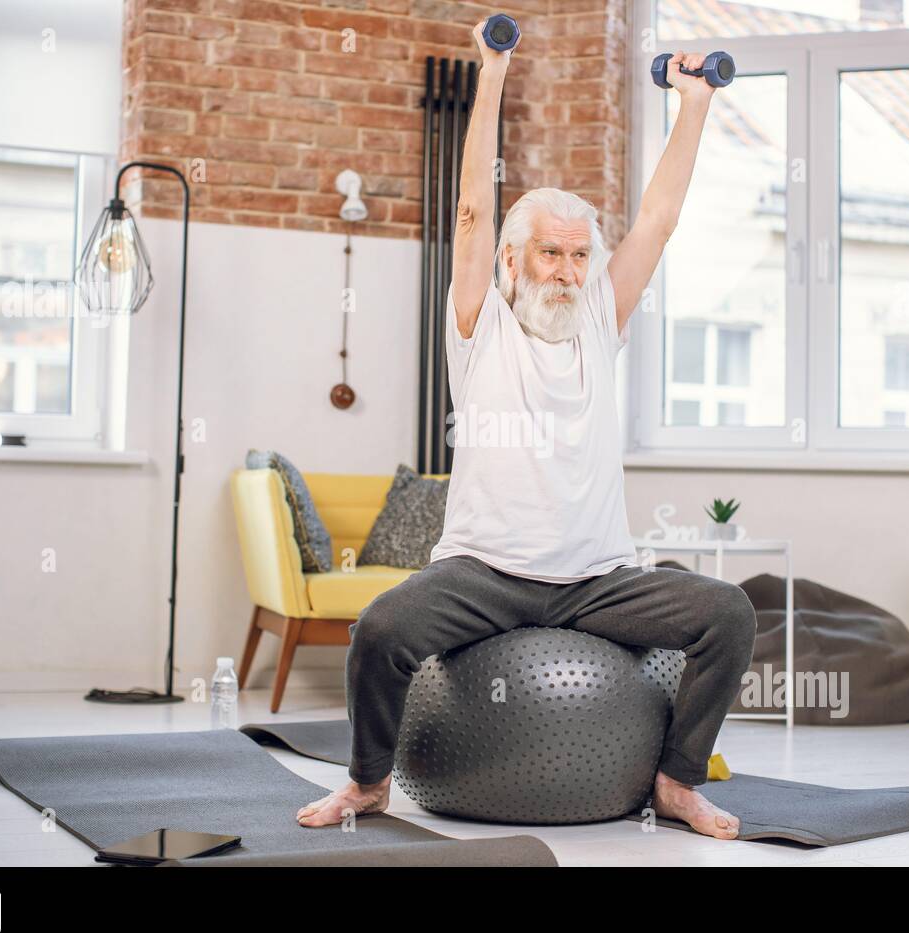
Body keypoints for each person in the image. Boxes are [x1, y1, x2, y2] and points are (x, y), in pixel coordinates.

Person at [298, 20, 757, 838]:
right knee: (382, 629)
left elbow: (656, 221)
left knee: (728, 614)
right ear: (513, 261)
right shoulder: (480, 327)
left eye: (580, 258)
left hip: (597, 579)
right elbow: (474, 210)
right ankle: (368, 782)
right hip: (486, 574)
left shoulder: (595, 322)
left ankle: (678, 782)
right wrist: (494, 69)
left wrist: (695, 103)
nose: (570, 274)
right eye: (552, 255)